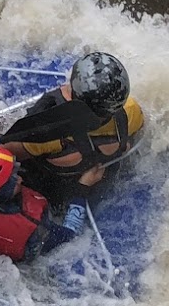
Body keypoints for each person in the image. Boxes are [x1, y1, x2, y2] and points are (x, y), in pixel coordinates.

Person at [8, 52, 144, 201]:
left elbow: (7, 153)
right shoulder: (132, 111)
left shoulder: (47, 132)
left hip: (52, 190)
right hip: (98, 178)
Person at [0, 145, 87, 262]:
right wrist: (82, 189)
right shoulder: (34, 226)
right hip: (23, 246)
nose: (19, 179)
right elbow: (69, 236)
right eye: (12, 181)